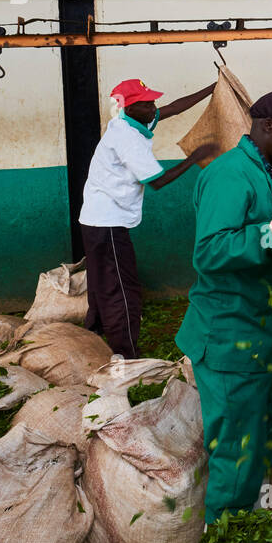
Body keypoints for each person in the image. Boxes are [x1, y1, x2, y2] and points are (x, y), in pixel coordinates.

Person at [176, 90, 272, 525]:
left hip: (260, 334)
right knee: (235, 446)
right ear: (266, 127)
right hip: (228, 337)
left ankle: (256, 523)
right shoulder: (229, 175)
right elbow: (209, 252)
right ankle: (225, 541)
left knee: (260, 437)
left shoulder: (271, 174)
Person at [79, 77, 217, 358]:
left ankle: (93, 331)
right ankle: (127, 353)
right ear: (130, 108)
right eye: (147, 103)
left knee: (101, 282)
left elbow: (174, 108)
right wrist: (195, 157)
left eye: (153, 101)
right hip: (108, 222)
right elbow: (158, 181)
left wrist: (213, 88)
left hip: (97, 219)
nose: (154, 107)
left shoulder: (129, 121)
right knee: (122, 287)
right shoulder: (127, 139)